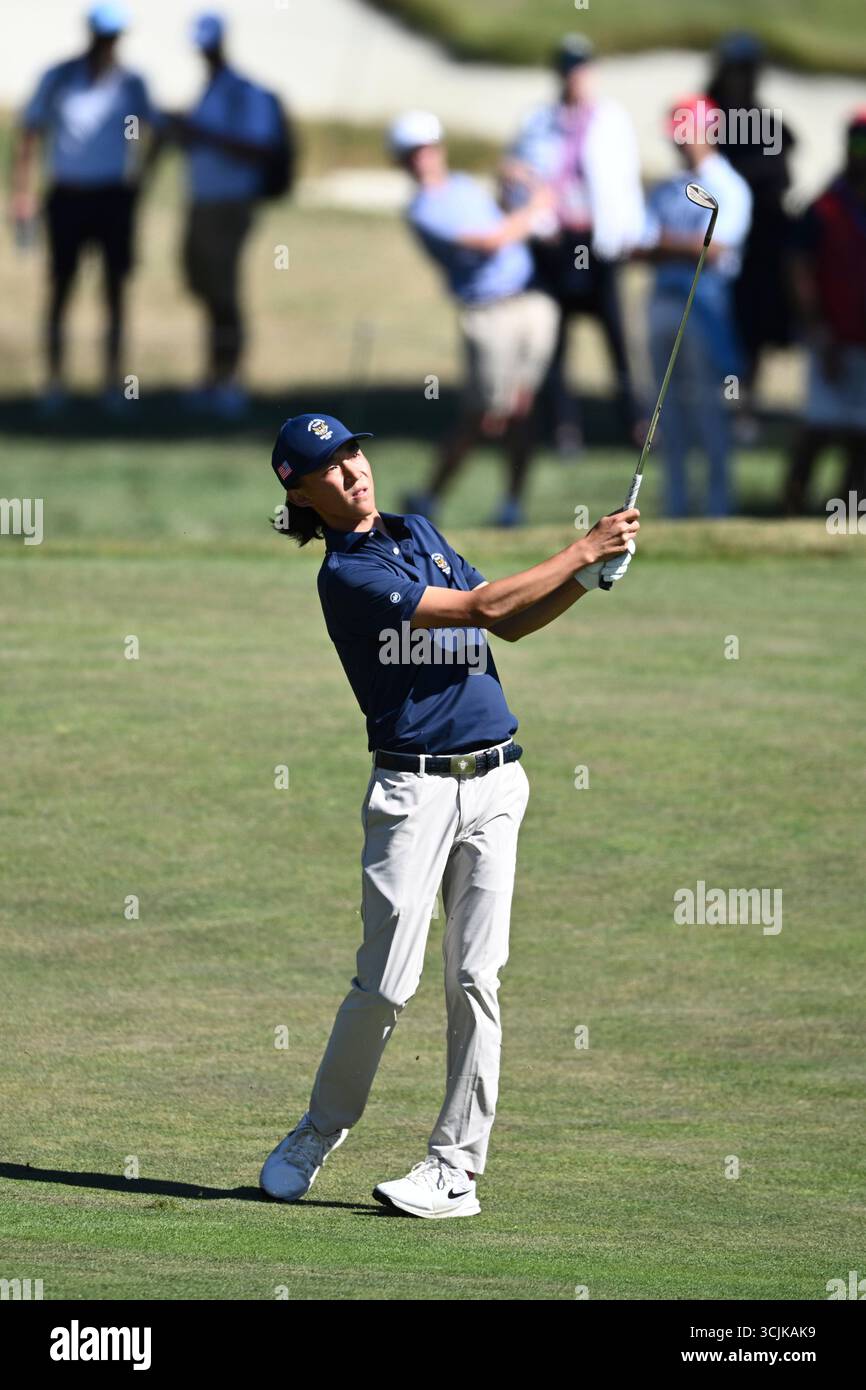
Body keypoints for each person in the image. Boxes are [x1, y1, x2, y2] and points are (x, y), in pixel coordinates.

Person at [259, 411, 639, 1217]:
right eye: (331, 465)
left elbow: (513, 620)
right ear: (301, 490)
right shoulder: (348, 578)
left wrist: (581, 580)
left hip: (498, 781)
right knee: (385, 986)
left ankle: (454, 1171)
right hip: (413, 792)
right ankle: (320, 1130)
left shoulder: (420, 529)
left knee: (476, 979)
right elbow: (484, 611)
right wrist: (581, 549)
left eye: (356, 451)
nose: (355, 469)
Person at [389, 110, 559, 528]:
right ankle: (429, 498)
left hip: (531, 300)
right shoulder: (422, 210)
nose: (422, 158)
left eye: (426, 148)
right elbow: (490, 241)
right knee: (484, 416)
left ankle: (512, 505)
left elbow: (500, 219)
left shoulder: (464, 186)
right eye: (412, 153)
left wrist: (517, 184)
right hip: (486, 314)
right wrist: (537, 207)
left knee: (522, 407)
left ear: (439, 149)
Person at [502, 33, 645, 454]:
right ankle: (565, 427)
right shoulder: (538, 121)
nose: (575, 78)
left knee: (617, 337)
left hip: (598, 244)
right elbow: (518, 174)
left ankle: (634, 422)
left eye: (581, 69)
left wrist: (629, 235)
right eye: (569, 70)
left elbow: (625, 182)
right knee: (555, 341)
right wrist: (530, 217)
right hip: (555, 242)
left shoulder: (611, 119)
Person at [11, 3, 156, 411]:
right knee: (61, 287)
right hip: (67, 196)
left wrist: (141, 178)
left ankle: (114, 384)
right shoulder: (59, 78)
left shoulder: (131, 83)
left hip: (112, 197)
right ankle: (54, 383)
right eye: (102, 36)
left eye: (112, 37)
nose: (106, 44)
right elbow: (30, 133)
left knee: (115, 291)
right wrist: (21, 193)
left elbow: (153, 129)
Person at [164, 12, 294, 418]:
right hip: (202, 204)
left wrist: (200, 134)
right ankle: (213, 375)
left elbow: (258, 148)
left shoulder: (244, 92)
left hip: (230, 205)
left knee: (224, 292)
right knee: (203, 287)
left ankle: (229, 380)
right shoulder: (208, 90)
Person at [638, 95, 752, 517]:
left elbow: (716, 249)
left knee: (710, 408)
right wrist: (675, 246)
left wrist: (666, 245)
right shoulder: (666, 188)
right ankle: (676, 507)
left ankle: (718, 507)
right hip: (664, 303)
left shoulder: (729, 185)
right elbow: (640, 246)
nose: (682, 144)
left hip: (706, 307)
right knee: (667, 412)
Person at [707, 32, 796, 441]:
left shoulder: (768, 127)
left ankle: (744, 409)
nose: (739, 80)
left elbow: (780, 181)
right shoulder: (708, 123)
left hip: (759, 248)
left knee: (754, 330)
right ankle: (715, 406)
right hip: (715, 247)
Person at [784, 110, 866, 515]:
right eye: (859, 144)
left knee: (861, 438)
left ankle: (847, 515)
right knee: (818, 428)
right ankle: (792, 509)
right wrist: (820, 331)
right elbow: (800, 272)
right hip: (831, 338)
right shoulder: (825, 207)